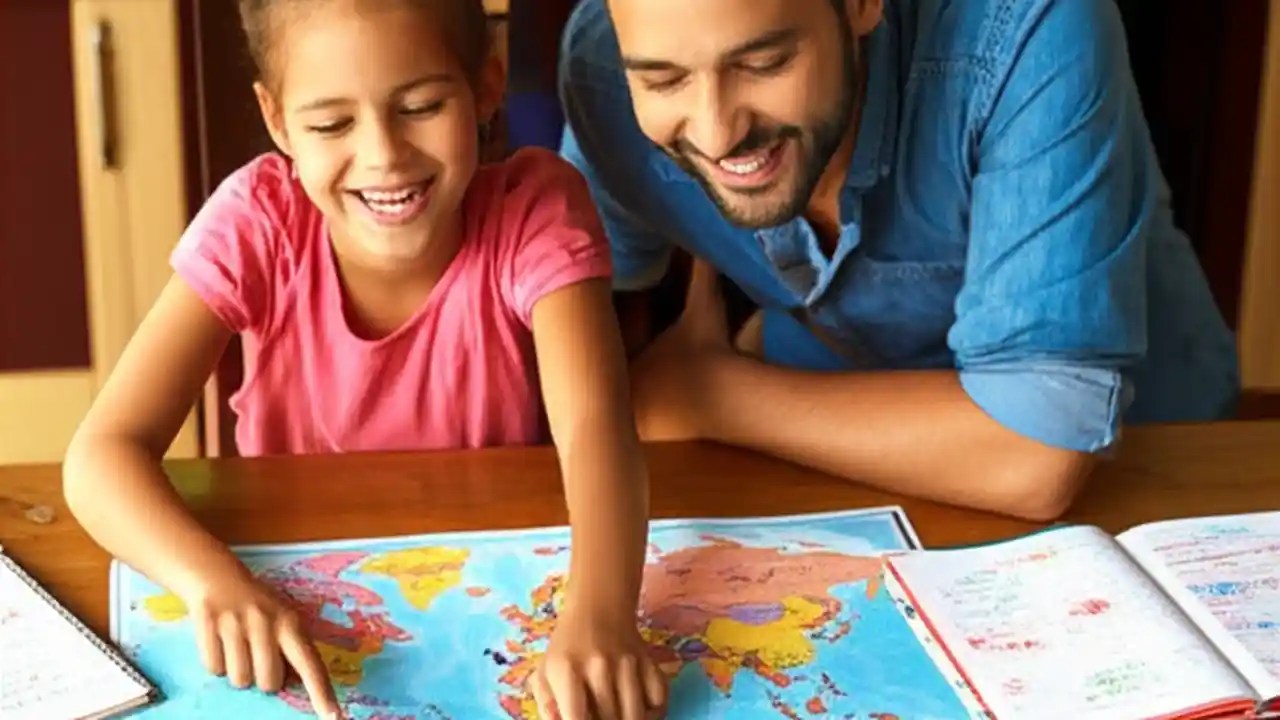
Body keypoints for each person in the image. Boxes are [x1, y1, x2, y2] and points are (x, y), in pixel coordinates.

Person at [62, 1, 666, 718]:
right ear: (279, 121)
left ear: (486, 85)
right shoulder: (259, 223)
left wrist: (599, 616)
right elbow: (100, 456)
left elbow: (597, 429)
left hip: (489, 608)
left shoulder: (534, 212)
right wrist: (210, 583)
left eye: (420, 106)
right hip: (303, 610)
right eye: (330, 125)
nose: (384, 154)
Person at [558, 0, 1240, 521]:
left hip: (1142, 472)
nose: (716, 131)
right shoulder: (600, 66)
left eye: (764, 64)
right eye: (664, 81)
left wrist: (713, 395)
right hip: (810, 472)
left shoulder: (1030, 21)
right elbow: (578, 307)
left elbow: (1039, 453)